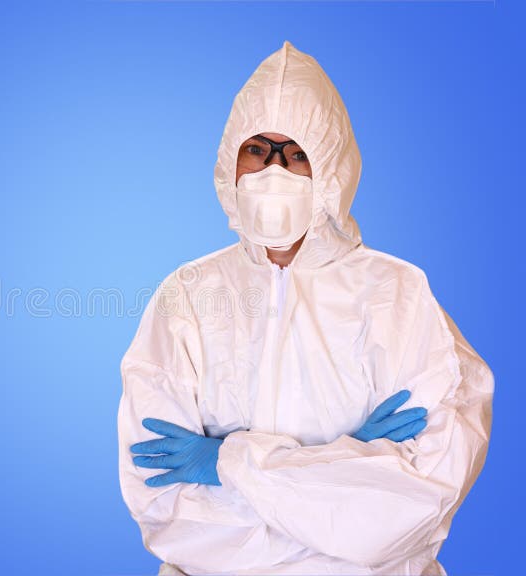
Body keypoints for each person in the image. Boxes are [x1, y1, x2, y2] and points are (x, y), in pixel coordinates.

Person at [117, 40, 494, 576]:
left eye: (296, 154)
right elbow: (168, 516)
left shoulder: (398, 297)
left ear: (331, 166)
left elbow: (417, 505)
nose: (274, 171)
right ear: (231, 161)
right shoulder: (188, 296)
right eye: (258, 150)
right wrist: (343, 477)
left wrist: (227, 464)